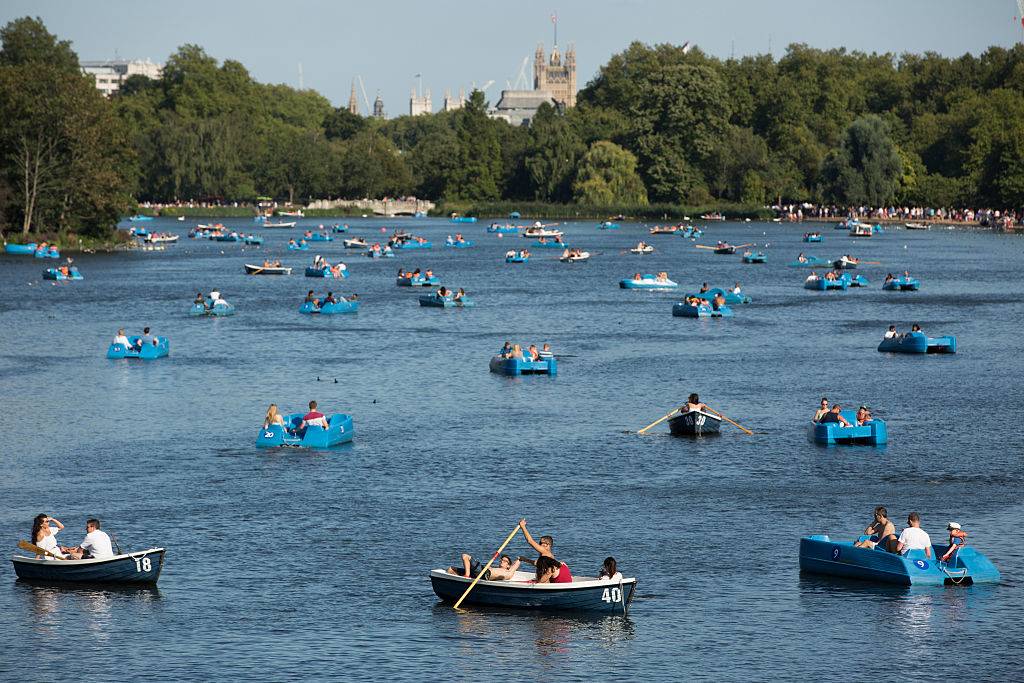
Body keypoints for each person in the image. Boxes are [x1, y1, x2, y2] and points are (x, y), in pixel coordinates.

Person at [518, 519, 572, 583]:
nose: (539, 544)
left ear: (547, 545)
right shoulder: (548, 556)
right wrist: (525, 559)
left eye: (541, 543)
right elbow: (538, 563)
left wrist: (523, 527)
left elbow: (530, 541)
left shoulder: (545, 552)